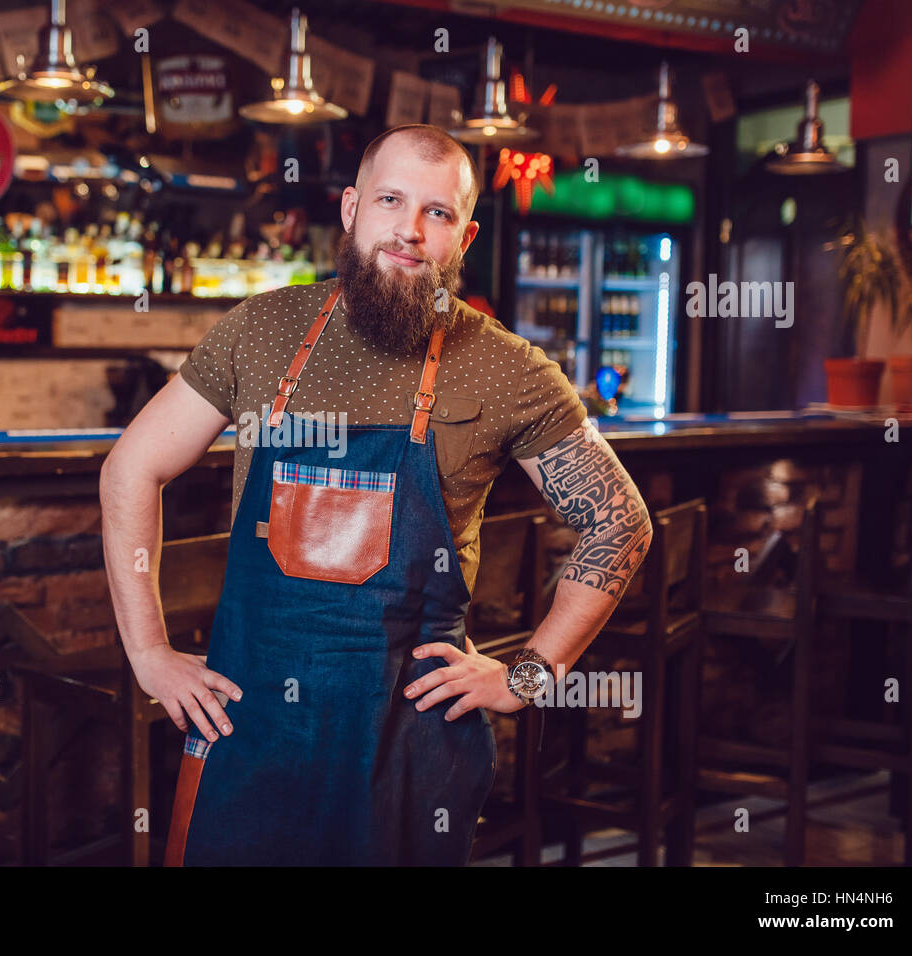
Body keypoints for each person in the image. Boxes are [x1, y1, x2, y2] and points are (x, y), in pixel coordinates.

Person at [100, 123, 653, 866]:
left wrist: (530, 674)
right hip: (251, 725)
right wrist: (147, 651)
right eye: (392, 200)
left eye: (438, 212)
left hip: (408, 746)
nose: (411, 230)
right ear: (353, 207)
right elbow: (131, 468)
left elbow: (619, 521)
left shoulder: (505, 370)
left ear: (464, 235)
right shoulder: (260, 332)